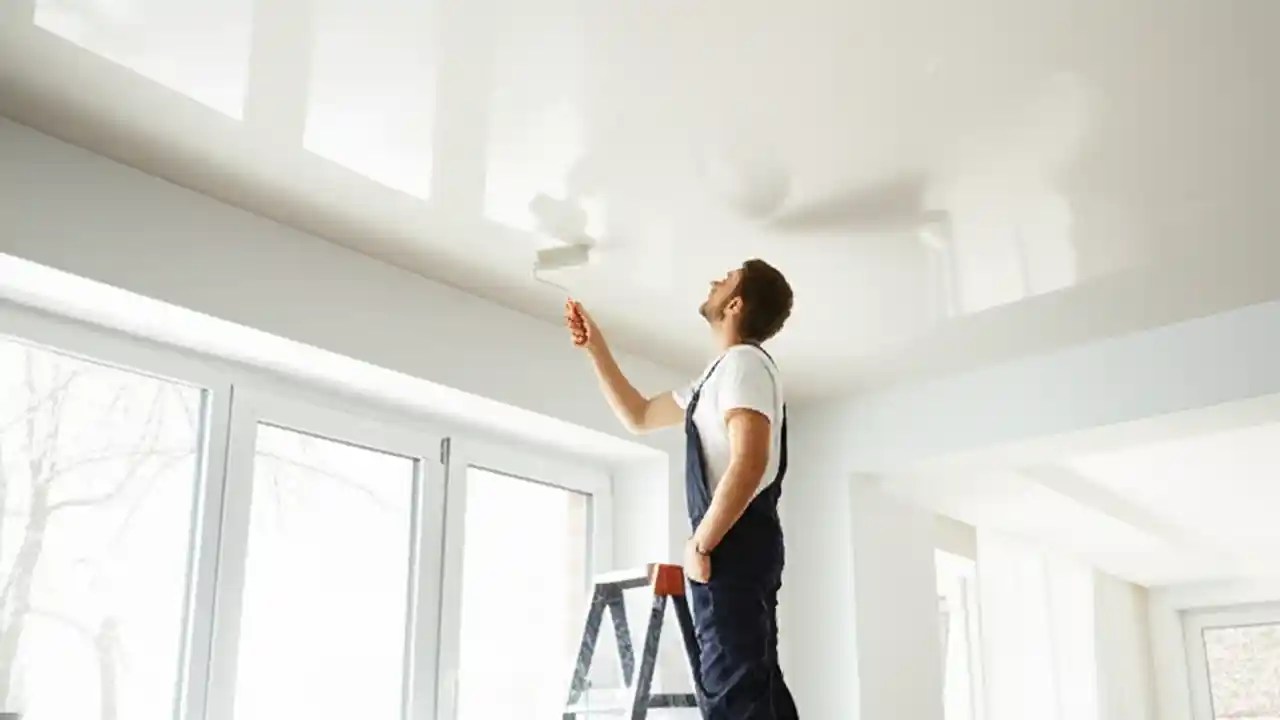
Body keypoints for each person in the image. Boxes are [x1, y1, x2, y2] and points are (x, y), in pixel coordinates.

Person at [564, 258, 799, 719]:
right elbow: (638, 415)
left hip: (732, 544)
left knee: (735, 698)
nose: (714, 279)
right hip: (741, 544)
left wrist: (701, 543)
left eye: (726, 279)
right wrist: (597, 348)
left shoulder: (743, 363)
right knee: (755, 691)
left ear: (734, 304)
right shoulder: (715, 378)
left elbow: (750, 460)